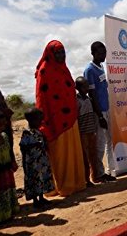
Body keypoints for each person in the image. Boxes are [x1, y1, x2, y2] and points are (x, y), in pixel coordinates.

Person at [35, 40, 86, 196]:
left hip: (70, 118)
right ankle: (62, 186)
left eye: (63, 52)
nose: (61, 55)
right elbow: (41, 99)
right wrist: (44, 122)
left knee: (72, 152)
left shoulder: (64, 69)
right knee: (60, 155)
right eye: (57, 53)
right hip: (55, 121)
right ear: (50, 54)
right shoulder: (44, 71)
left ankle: (76, 183)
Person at [83, 41, 116, 182]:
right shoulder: (90, 70)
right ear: (93, 53)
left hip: (107, 109)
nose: (104, 56)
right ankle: (98, 174)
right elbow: (92, 94)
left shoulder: (101, 67)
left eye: (105, 53)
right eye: (101, 53)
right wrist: (99, 115)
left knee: (110, 141)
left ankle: (111, 170)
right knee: (100, 144)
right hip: (99, 111)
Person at [19, 108, 55, 208]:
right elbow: (24, 147)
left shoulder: (39, 132)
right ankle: (36, 201)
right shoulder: (27, 133)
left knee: (42, 179)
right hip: (32, 163)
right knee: (34, 181)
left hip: (41, 162)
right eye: (39, 120)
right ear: (31, 120)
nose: (41, 122)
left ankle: (42, 198)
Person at [75, 76, 99, 185]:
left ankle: (95, 176)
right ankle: (86, 179)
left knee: (93, 155)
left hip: (91, 132)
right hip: (83, 133)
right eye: (84, 86)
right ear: (78, 87)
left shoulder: (89, 100)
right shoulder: (76, 101)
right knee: (85, 157)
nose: (87, 88)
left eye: (87, 86)